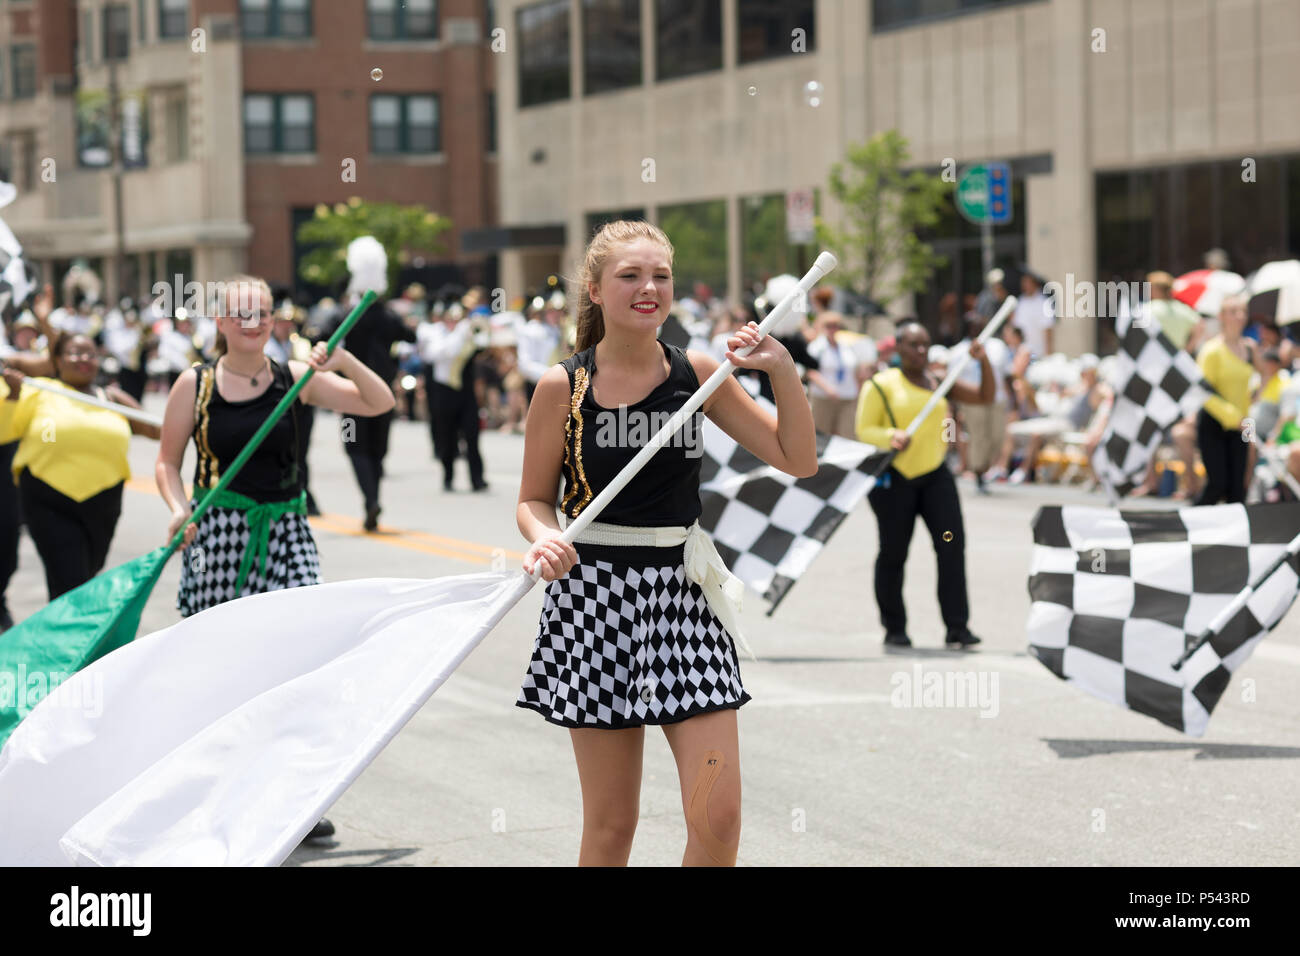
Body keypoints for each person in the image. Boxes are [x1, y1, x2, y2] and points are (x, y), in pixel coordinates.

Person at [515, 220, 817, 867]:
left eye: (661, 275)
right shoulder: (559, 387)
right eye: (630, 276)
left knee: (719, 815)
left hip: (685, 597)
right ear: (595, 290)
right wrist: (543, 540)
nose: (648, 287)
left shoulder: (699, 374)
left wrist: (781, 368)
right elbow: (532, 500)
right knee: (611, 826)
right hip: (593, 599)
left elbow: (798, 457)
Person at [155, 275, 395, 844]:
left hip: (286, 532)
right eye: (240, 313)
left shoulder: (295, 378)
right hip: (218, 535)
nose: (252, 322)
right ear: (220, 322)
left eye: (262, 312)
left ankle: (295, 802)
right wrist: (177, 507)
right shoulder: (197, 383)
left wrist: (343, 358)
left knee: (295, 669)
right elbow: (167, 462)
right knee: (227, 674)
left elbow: (378, 402)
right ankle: (223, 796)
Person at [856, 321, 993, 648]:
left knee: (950, 547)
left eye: (925, 345)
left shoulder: (939, 382)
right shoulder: (880, 385)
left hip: (935, 478)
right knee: (893, 553)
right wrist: (890, 436)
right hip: (895, 482)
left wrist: (982, 360)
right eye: (913, 345)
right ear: (898, 348)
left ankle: (957, 628)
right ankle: (895, 628)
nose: (920, 351)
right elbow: (864, 429)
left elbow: (985, 396)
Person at [0, 331, 160, 601]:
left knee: (86, 574)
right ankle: (71, 640)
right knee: (71, 582)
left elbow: (156, 431)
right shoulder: (38, 390)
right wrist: (13, 395)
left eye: (90, 354)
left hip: (104, 501)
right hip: (49, 500)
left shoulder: (110, 397)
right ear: (58, 361)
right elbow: (4, 430)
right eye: (74, 353)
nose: (83, 359)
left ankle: (70, 636)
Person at [421, 301, 489, 492]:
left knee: (472, 436)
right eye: (451, 319)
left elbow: (483, 342)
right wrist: (459, 335)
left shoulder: (465, 334)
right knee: (447, 437)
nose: (454, 323)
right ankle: (448, 477)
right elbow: (438, 354)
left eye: (457, 319)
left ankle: (477, 479)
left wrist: (472, 332)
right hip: (444, 392)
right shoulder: (435, 334)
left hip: (466, 392)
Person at [1195, 294, 1254, 505]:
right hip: (1214, 424)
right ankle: (1192, 526)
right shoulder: (1211, 351)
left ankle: (1233, 537)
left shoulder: (1250, 348)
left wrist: (1249, 427)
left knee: (1238, 488)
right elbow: (1202, 392)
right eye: (1233, 311)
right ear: (1221, 316)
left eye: (1243, 311)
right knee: (1217, 483)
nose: (1239, 316)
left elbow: (1251, 390)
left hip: (1242, 426)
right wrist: (1232, 416)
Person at [948, 312, 1013, 492]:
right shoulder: (958, 352)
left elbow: (1008, 375)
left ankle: (985, 467)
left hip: (997, 399)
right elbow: (952, 383)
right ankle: (978, 473)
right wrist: (954, 408)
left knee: (997, 437)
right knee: (979, 438)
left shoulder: (998, 347)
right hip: (972, 402)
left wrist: (1013, 399)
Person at [805, 311, 861, 438]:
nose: (833, 329)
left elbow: (854, 369)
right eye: (829, 326)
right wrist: (828, 389)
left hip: (847, 396)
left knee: (848, 434)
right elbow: (810, 371)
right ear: (822, 327)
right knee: (821, 434)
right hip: (824, 397)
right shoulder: (816, 347)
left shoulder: (845, 346)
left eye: (835, 325)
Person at [1013, 272, 1055, 359]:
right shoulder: (1021, 301)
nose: (1025, 285)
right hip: (1022, 353)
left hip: (1039, 354)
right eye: (1024, 282)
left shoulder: (1043, 303)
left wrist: (1048, 355)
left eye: (1028, 282)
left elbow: (1048, 329)